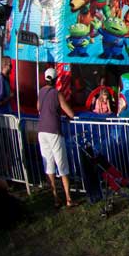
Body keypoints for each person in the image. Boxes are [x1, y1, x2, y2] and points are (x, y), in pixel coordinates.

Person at [37, 67, 77, 208]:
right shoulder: (57, 93)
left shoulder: (41, 92)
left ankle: (55, 198)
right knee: (62, 165)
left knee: (49, 165)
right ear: (56, 80)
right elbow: (70, 113)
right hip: (54, 131)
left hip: (41, 131)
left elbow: (38, 107)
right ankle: (68, 198)